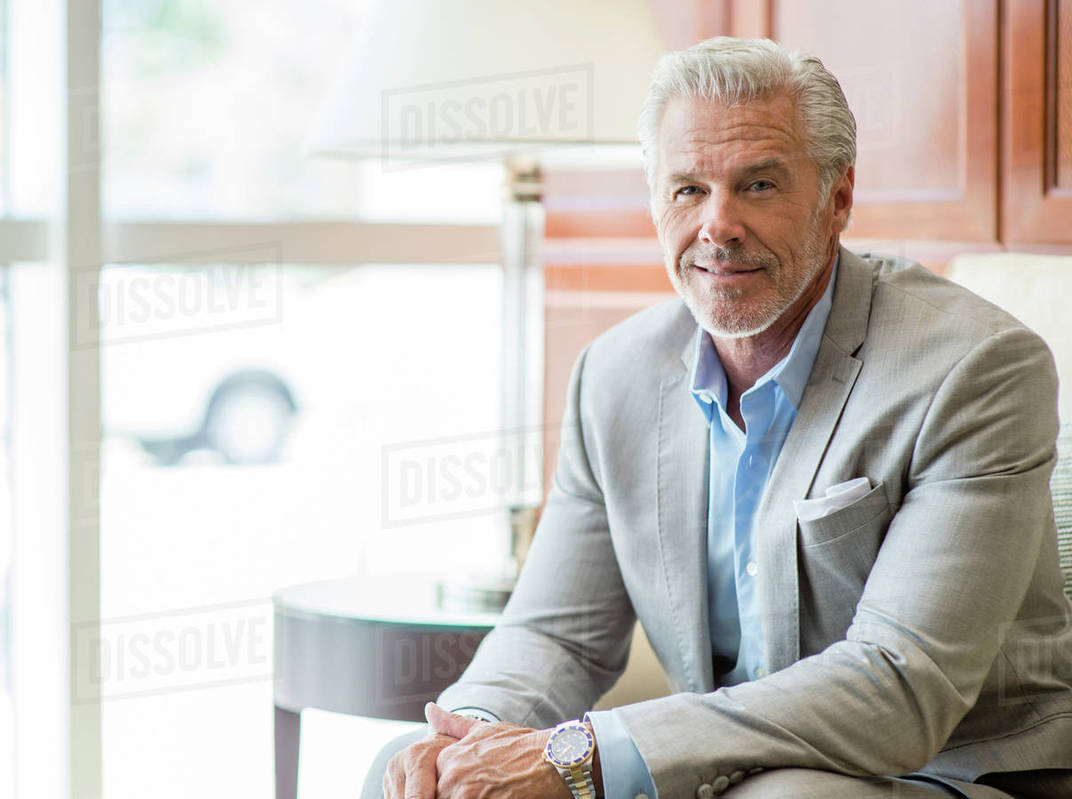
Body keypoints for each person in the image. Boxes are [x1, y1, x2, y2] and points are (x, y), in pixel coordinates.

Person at [365, 37, 1072, 798]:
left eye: (759, 184)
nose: (717, 224)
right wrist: (466, 736)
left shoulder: (975, 368)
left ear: (837, 199)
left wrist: (582, 756)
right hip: (723, 769)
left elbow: (898, 686)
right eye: (687, 189)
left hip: (952, 772)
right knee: (404, 773)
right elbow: (554, 634)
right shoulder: (613, 375)